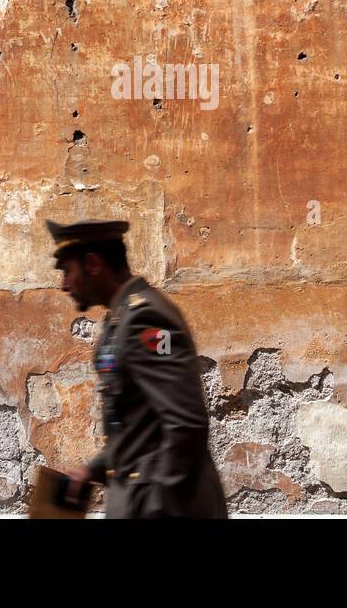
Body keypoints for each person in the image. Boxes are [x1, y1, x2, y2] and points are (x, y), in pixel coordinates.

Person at [47, 218, 228, 519]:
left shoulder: (147, 319)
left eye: (68, 271)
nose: (64, 284)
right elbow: (138, 425)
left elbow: (186, 424)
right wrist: (90, 470)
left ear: (93, 264)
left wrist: (156, 506)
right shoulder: (121, 318)